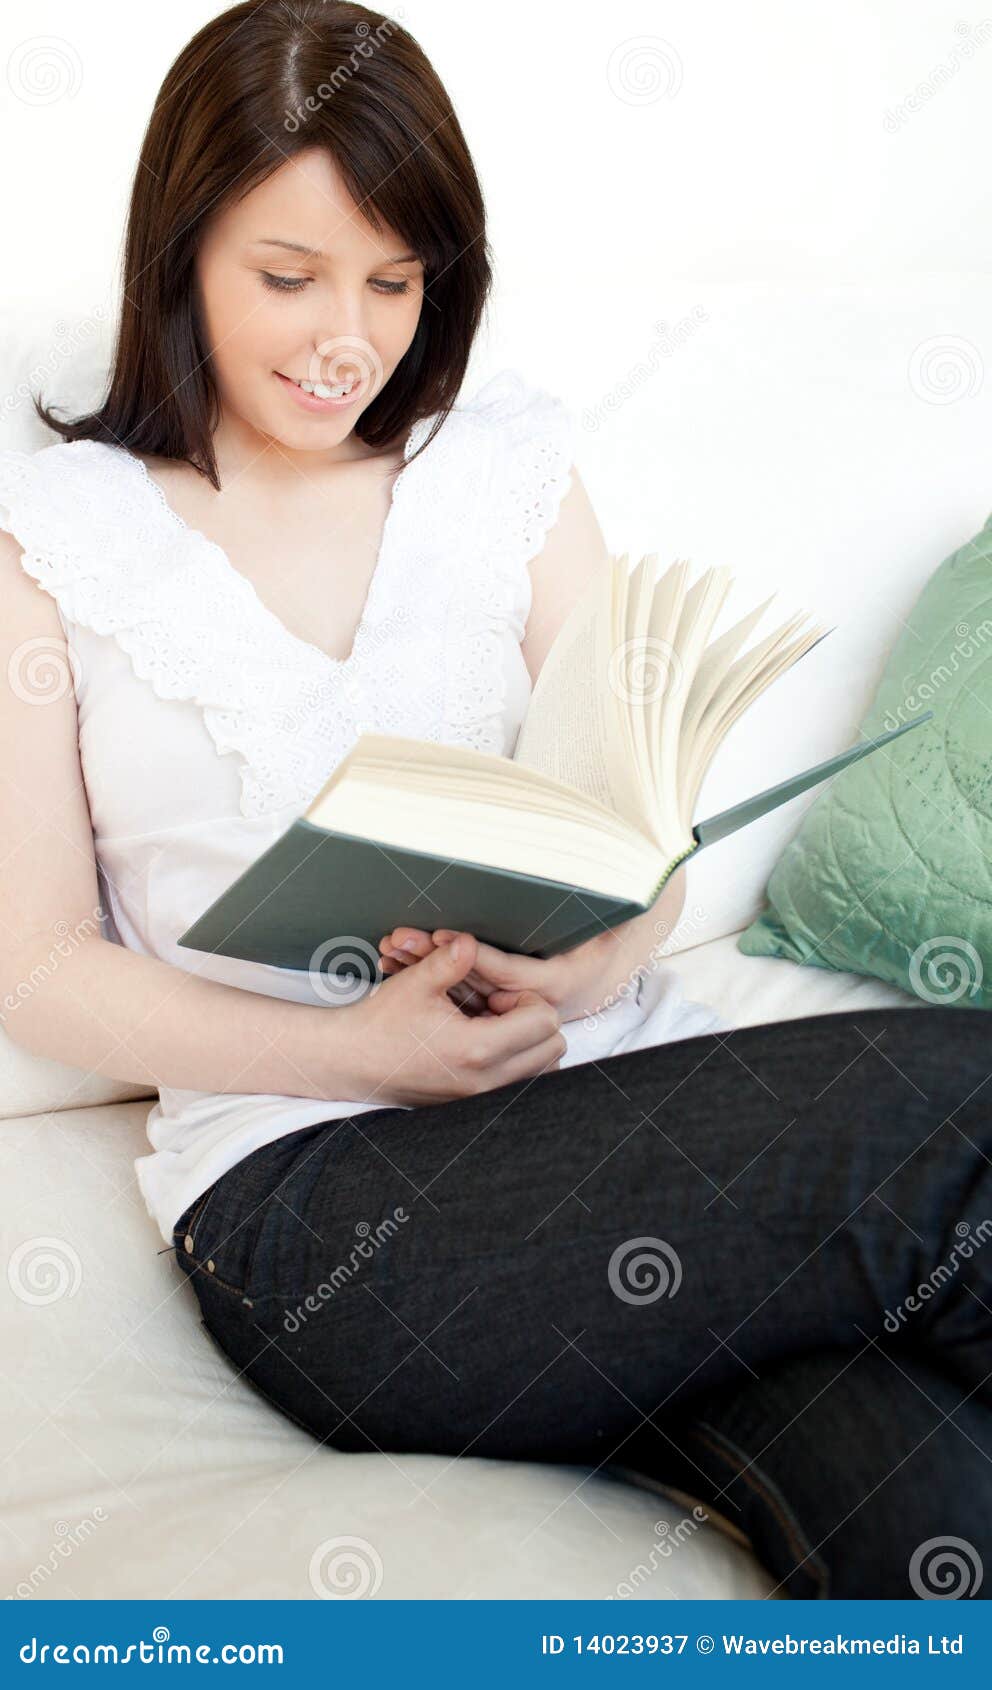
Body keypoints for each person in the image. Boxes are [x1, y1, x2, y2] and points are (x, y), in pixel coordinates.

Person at [0, 0, 988, 1602]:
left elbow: (636, 823)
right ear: (179, 252)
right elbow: (34, 965)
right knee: (964, 1106)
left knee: (939, 1509)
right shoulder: (58, 546)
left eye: (395, 284)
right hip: (324, 1212)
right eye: (289, 277)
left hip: (610, 1106)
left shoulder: (500, 466)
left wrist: (596, 959)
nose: (347, 340)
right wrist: (351, 1048)